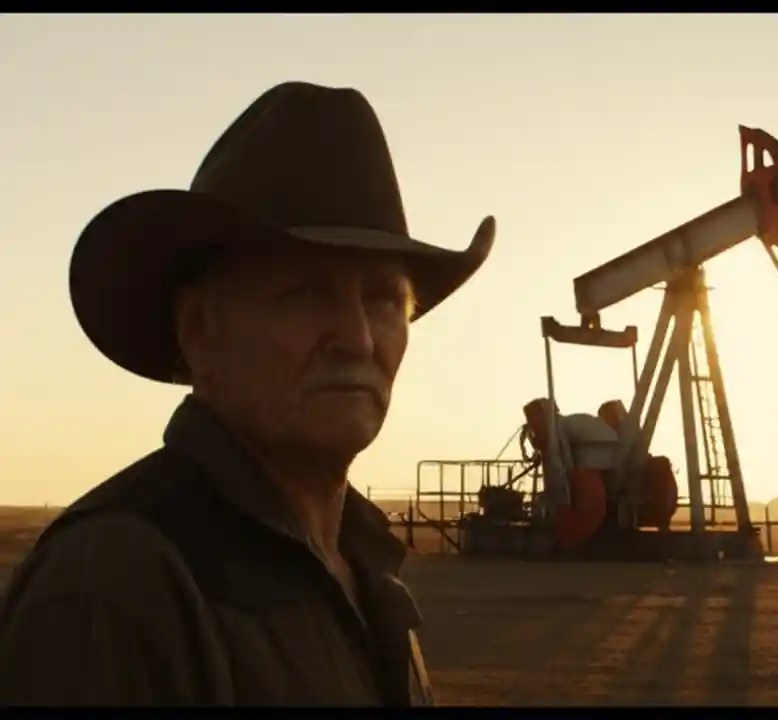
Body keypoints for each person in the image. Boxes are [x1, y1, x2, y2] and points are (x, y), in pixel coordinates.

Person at [0, 81, 496, 705]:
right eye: (305, 295)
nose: (359, 339)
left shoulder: (366, 571)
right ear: (201, 331)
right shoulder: (115, 585)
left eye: (382, 299)